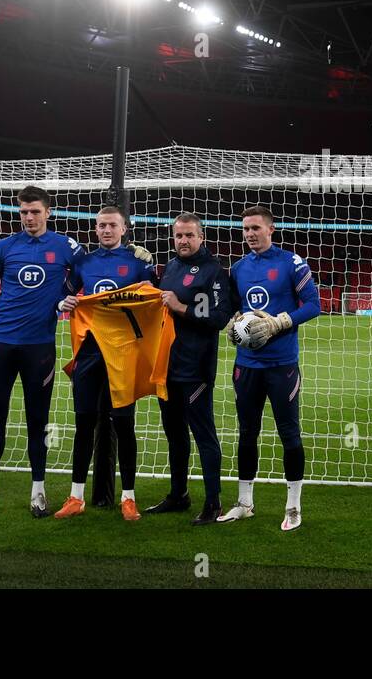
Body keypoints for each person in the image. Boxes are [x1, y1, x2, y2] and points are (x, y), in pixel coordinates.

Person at [0, 186, 83, 518]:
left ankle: (38, 492)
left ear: (48, 212)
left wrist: (62, 295)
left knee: (37, 420)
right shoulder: (4, 248)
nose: (29, 217)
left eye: (35, 211)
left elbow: (90, 270)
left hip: (39, 346)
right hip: (1, 343)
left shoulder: (65, 246)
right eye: (24, 212)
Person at [218, 206, 321, 531]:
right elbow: (231, 310)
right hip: (246, 366)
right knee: (247, 433)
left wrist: (280, 322)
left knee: (288, 433)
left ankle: (293, 507)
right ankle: (244, 503)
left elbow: (313, 305)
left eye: (256, 228)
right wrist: (232, 324)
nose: (250, 234)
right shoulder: (238, 269)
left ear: (271, 229)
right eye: (246, 229)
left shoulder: (291, 263)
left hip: (281, 365)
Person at [54, 206, 156, 522]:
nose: (106, 230)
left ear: (124, 228)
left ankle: (128, 498)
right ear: (96, 229)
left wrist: (151, 264)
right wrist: (64, 301)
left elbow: (154, 297)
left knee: (123, 424)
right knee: (84, 424)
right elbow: (64, 294)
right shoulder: (84, 262)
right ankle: (76, 497)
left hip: (122, 353)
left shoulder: (138, 262)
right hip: (88, 353)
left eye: (112, 225)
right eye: (101, 226)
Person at [144, 212, 233, 525]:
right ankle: (178, 495)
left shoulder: (215, 272)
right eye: (178, 235)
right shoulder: (170, 266)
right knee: (174, 436)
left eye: (189, 235)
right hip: (167, 367)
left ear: (201, 237)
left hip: (196, 369)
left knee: (203, 435)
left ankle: (213, 503)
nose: (183, 241)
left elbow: (221, 317)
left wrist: (180, 307)